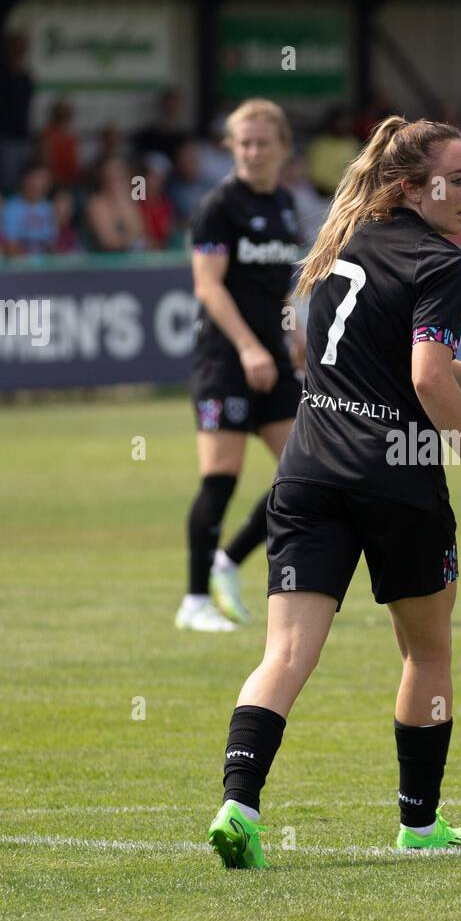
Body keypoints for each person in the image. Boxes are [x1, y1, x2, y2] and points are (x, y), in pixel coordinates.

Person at [205, 115, 461, 869]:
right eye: (454, 181)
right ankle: (418, 823)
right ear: (410, 186)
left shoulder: (341, 246)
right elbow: (424, 374)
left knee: (287, 653)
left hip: (306, 470)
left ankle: (238, 803)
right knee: (427, 653)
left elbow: (383, 351)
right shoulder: (442, 262)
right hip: (395, 478)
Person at [176, 99, 307, 633]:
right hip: (224, 360)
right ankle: (192, 601)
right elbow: (208, 285)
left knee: (305, 471)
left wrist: (291, 328)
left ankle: (227, 563)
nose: (252, 152)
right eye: (243, 143)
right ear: (231, 148)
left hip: (272, 357)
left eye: (262, 142)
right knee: (220, 480)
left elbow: (278, 285)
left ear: (282, 147)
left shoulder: (285, 205)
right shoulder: (218, 206)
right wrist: (249, 347)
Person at [0, 31, 34, 196]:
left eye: (23, 47)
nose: (20, 50)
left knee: (23, 182)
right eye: (16, 46)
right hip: (3, 138)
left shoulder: (26, 75)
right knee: (5, 184)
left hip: (23, 136)